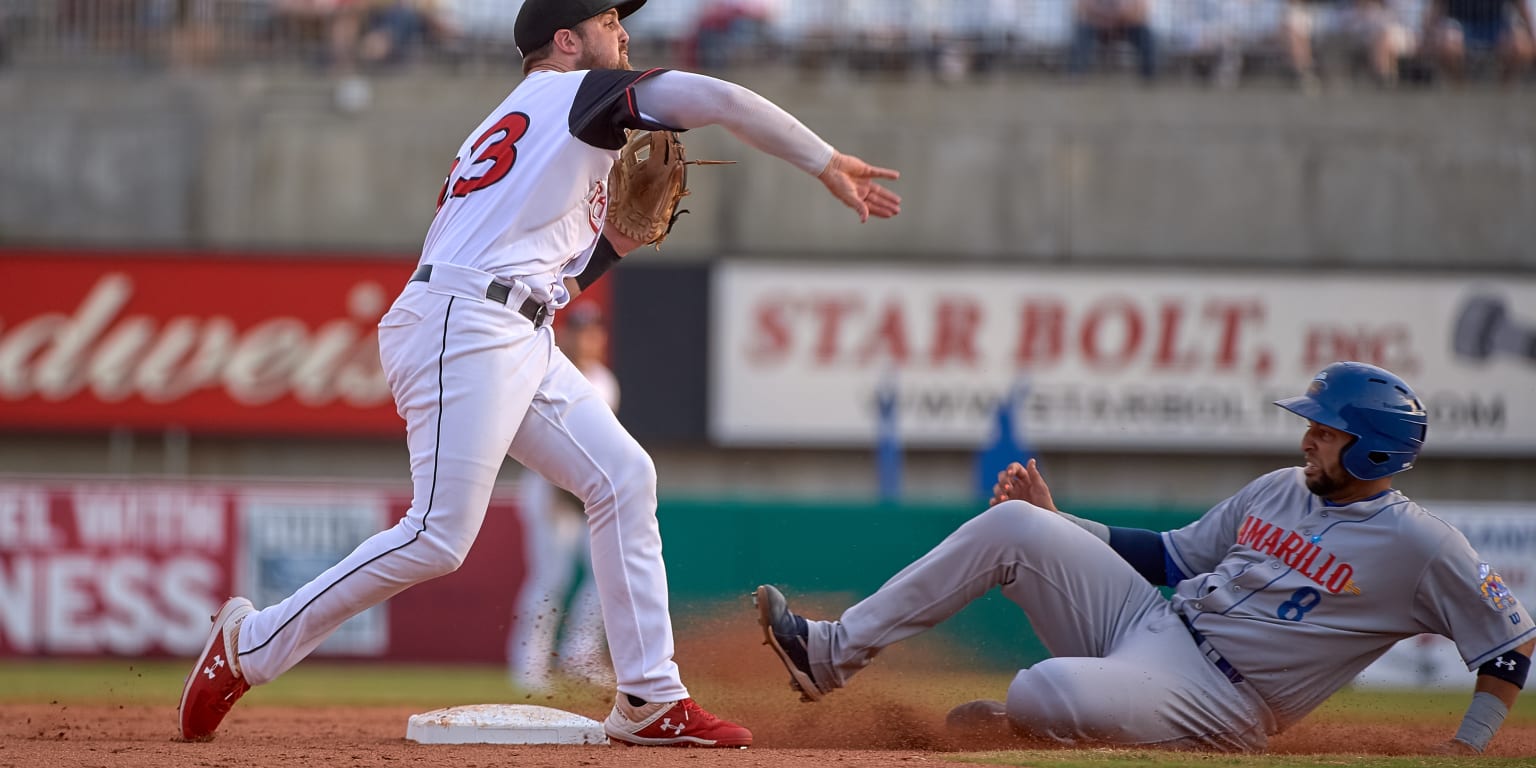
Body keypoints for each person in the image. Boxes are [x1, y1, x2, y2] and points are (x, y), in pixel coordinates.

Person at [178, 0, 900, 749]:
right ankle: (250, 643)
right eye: (609, 20)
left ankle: (651, 697)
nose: (623, 33)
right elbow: (715, 97)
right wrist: (824, 160)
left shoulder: (533, 124)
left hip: (509, 322)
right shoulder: (575, 94)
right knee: (437, 535)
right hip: (470, 321)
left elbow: (549, 279)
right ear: (566, 40)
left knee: (623, 476)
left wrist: (616, 240)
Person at [757, 361, 1534, 753]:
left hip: (1222, 702)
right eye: (1314, 425)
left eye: (1326, 432)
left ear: (1372, 450)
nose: (1307, 438)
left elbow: (1511, 642)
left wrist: (1466, 749)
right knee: (1012, 529)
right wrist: (1061, 524)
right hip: (1152, 624)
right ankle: (828, 653)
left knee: (1038, 692)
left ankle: (1022, 724)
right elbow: (1170, 556)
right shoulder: (1280, 487)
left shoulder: (1421, 544)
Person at [508, 304, 618, 692]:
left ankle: (580, 655)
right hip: (547, 487)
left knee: (605, 576)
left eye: (594, 331)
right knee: (549, 579)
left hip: (582, 493)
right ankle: (529, 667)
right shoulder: (549, 370)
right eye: (580, 330)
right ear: (567, 334)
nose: (587, 338)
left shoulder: (604, 381)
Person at [1424, 0, 1536, 82]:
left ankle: (1503, 92)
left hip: (1496, 26)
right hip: (1459, 25)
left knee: (1520, 46)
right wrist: (1426, 38)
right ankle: (1459, 88)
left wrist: (1531, 36)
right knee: (1446, 45)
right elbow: (1436, 6)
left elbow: (1521, 5)